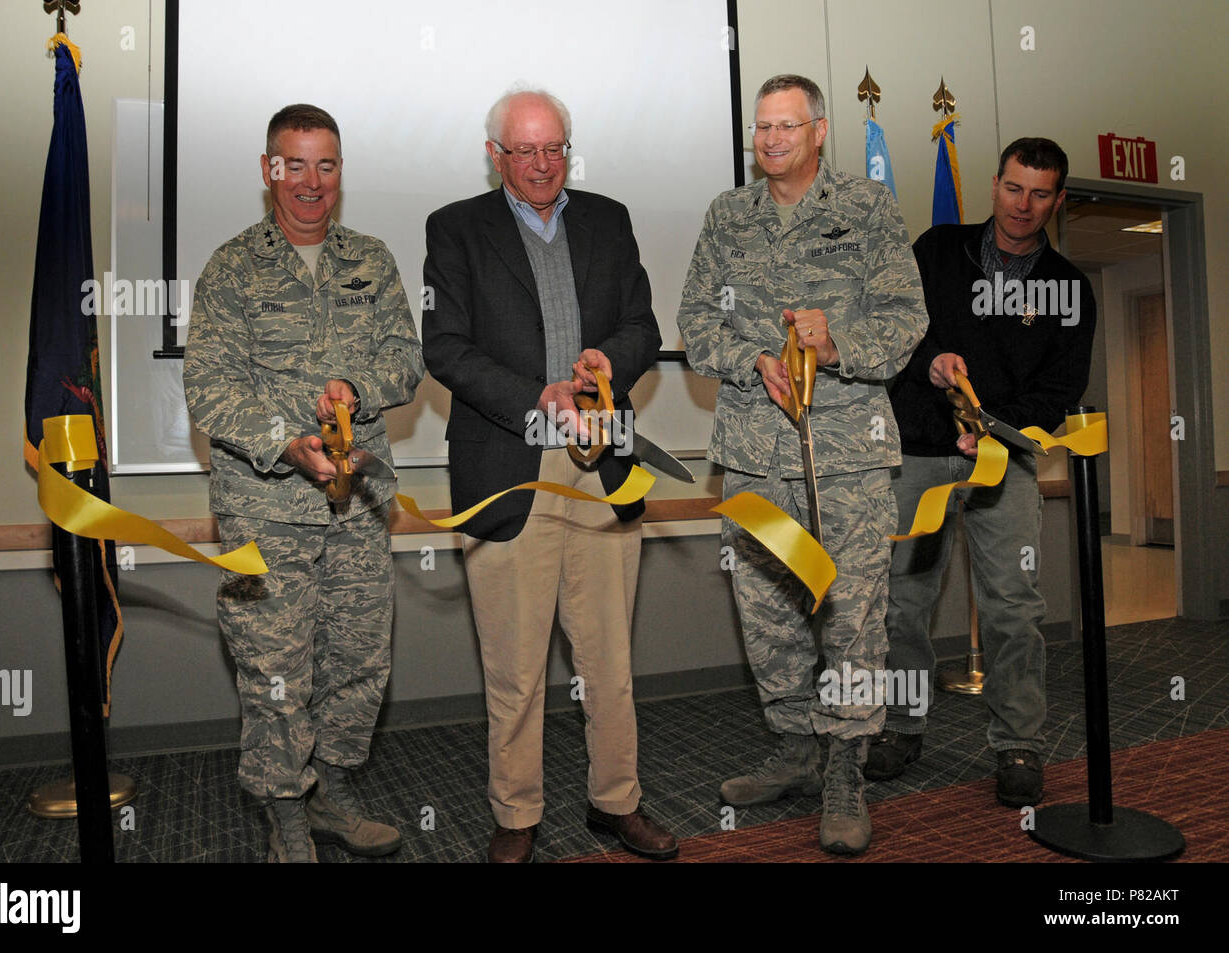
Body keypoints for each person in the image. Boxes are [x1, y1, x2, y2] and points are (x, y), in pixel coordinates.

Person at [422, 87, 675, 863]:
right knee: (516, 666)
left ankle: (616, 801)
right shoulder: (455, 228)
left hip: (601, 469)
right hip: (509, 470)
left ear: (569, 148)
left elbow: (644, 325)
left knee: (609, 663)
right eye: (524, 150)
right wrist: (537, 395)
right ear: (495, 155)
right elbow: (446, 348)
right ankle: (517, 813)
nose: (541, 164)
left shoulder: (609, 217)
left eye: (554, 147)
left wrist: (610, 362)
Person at [677, 74, 927, 855]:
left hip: (848, 455)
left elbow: (907, 319)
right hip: (755, 455)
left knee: (852, 617)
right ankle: (794, 746)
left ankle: (846, 768)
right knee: (769, 614)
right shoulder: (728, 216)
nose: (772, 140)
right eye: (762, 128)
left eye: (787, 126)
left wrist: (837, 338)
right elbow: (692, 321)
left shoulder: (868, 209)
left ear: (820, 131)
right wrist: (751, 356)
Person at [183, 104, 424, 862]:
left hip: (356, 505)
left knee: (359, 658)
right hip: (266, 510)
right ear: (268, 170)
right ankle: (285, 807)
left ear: (340, 172)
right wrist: (286, 445)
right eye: (294, 164)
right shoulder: (231, 267)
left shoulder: (373, 261)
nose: (310, 182)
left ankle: (333, 790)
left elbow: (406, 360)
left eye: (326, 165)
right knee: (275, 667)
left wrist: (354, 383)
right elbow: (209, 387)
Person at [871, 137, 1097, 807]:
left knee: (1013, 607)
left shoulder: (1070, 288)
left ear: (1057, 198)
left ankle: (1017, 740)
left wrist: (994, 427)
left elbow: (1062, 386)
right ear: (994, 184)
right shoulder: (938, 249)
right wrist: (934, 361)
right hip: (917, 452)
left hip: (1006, 459)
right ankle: (899, 725)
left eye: (1039, 193)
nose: (1022, 205)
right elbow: (899, 330)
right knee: (901, 604)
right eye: (1013, 188)